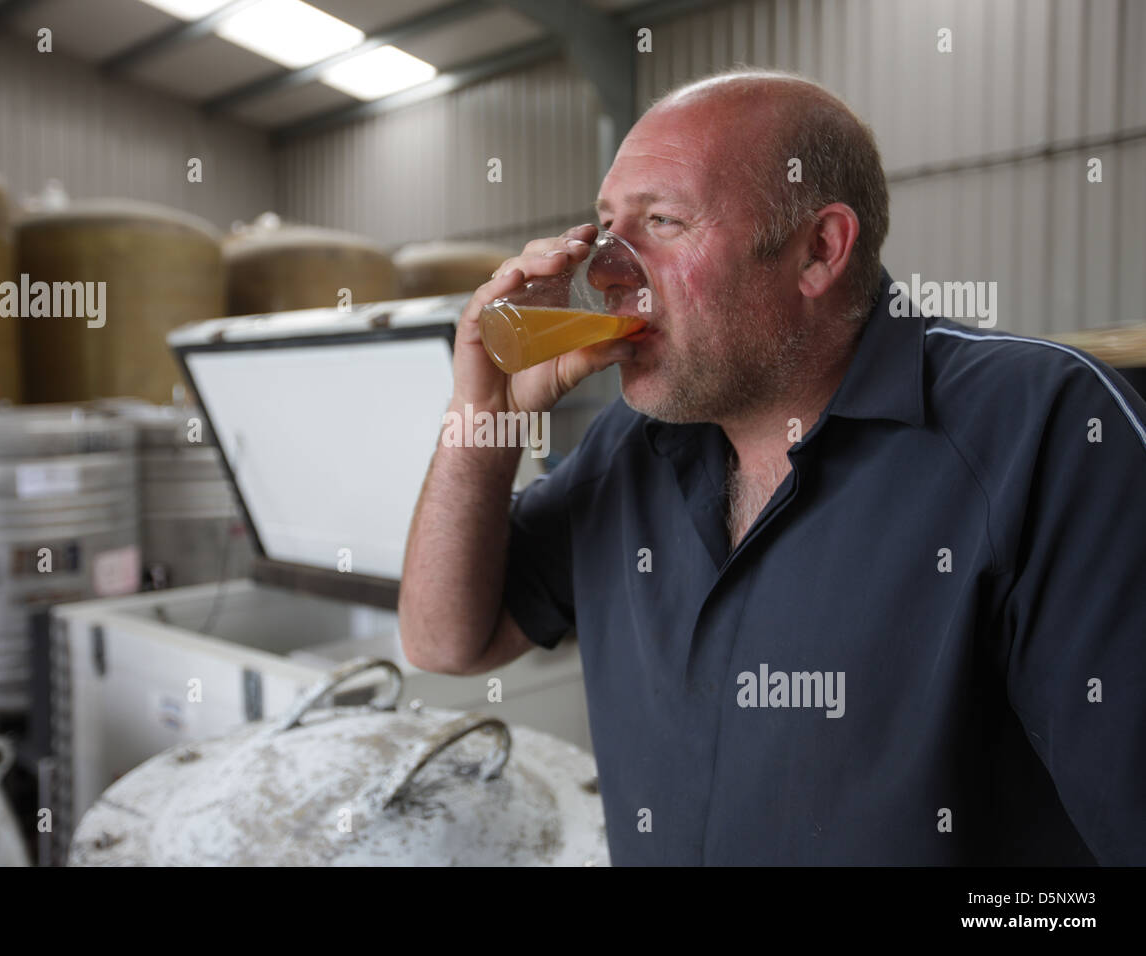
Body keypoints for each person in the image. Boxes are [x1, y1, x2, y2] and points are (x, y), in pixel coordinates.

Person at [398, 68, 1146, 865]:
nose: (611, 271)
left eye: (663, 221)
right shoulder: (631, 446)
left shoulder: (1043, 427)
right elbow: (447, 643)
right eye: (607, 225)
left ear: (818, 251)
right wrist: (484, 418)